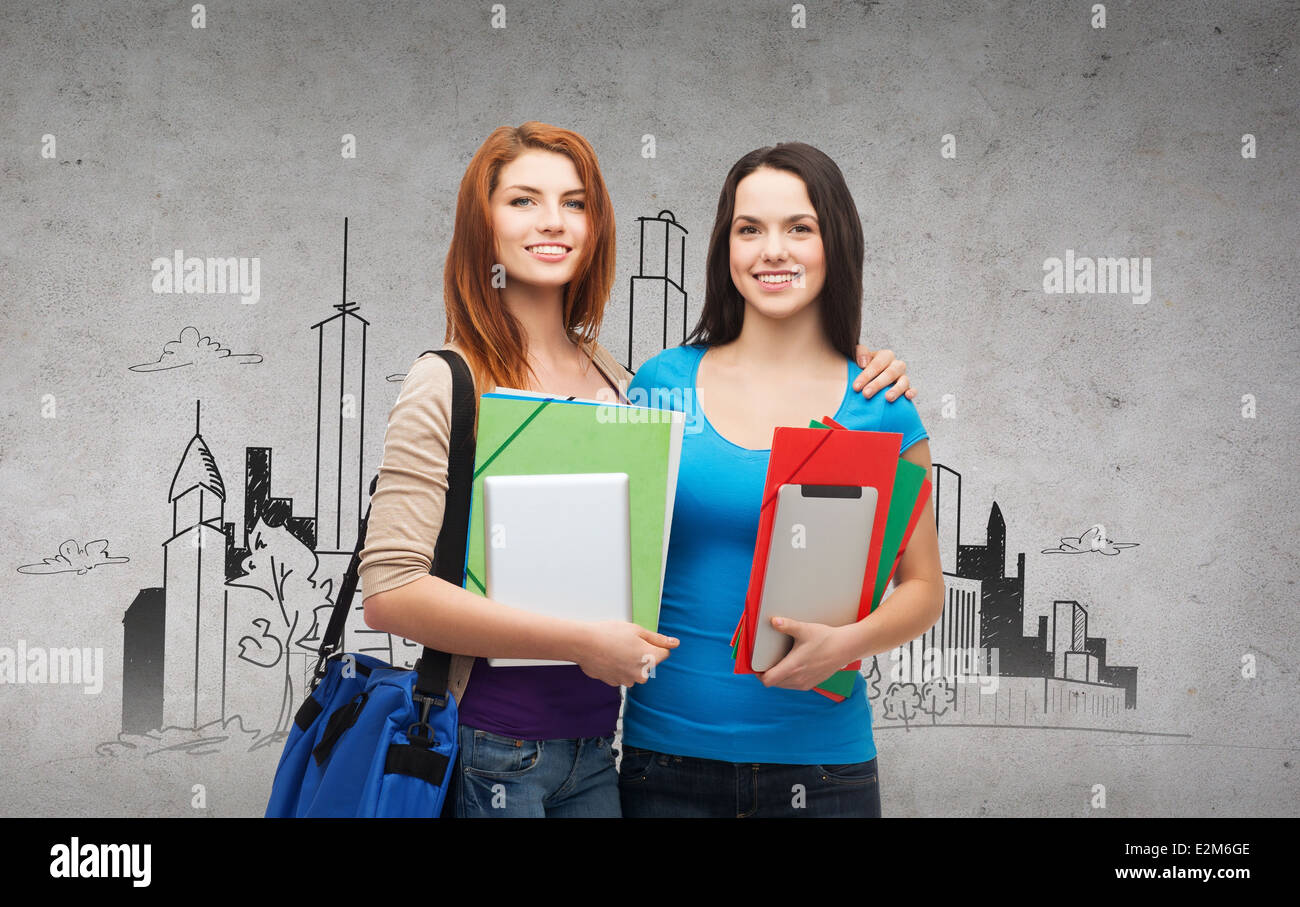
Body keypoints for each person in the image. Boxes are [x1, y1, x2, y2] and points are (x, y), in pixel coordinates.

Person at [358, 123, 915, 817]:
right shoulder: (448, 380)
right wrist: (580, 641)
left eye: (576, 203)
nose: (553, 222)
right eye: (523, 201)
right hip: (486, 744)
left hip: (596, 756)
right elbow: (389, 593)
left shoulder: (627, 387)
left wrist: (838, 359)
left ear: (597, 227)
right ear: (483, 226)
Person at [617, 142, 946, 818]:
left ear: (836, 243)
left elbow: (923, 588)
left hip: (823, 770)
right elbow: (613, 555)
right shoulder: (660, 385)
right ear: (724, 248)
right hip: (665, 762)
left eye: (800, 227)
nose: (773, 250)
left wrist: (848, 643)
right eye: (749, 229)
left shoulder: (882, 405)